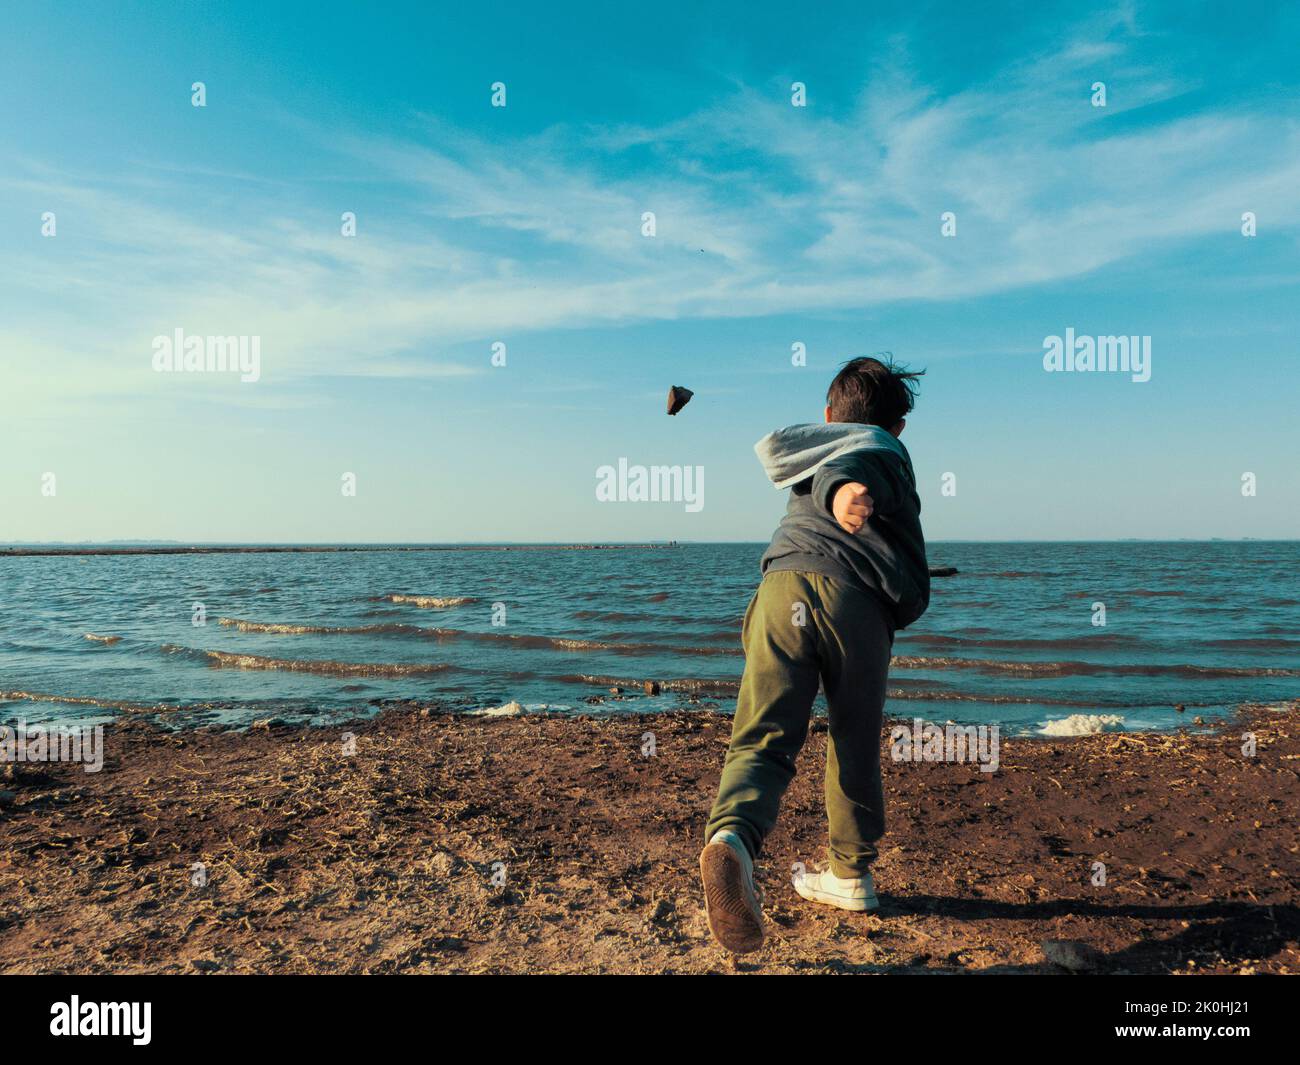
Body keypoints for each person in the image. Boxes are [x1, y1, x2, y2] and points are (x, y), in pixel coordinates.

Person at [699, 356, 930, 953]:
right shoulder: (878, 450)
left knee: (762, 735)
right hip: (852, 603)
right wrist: (846, 493)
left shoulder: (811, 453)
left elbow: (841, 472)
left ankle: (732, 841)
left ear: (829, 415)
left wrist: (834, 488)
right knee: (853, 738)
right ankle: (850, 874)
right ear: (898, 427)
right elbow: (856, 474)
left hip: (781, 592)